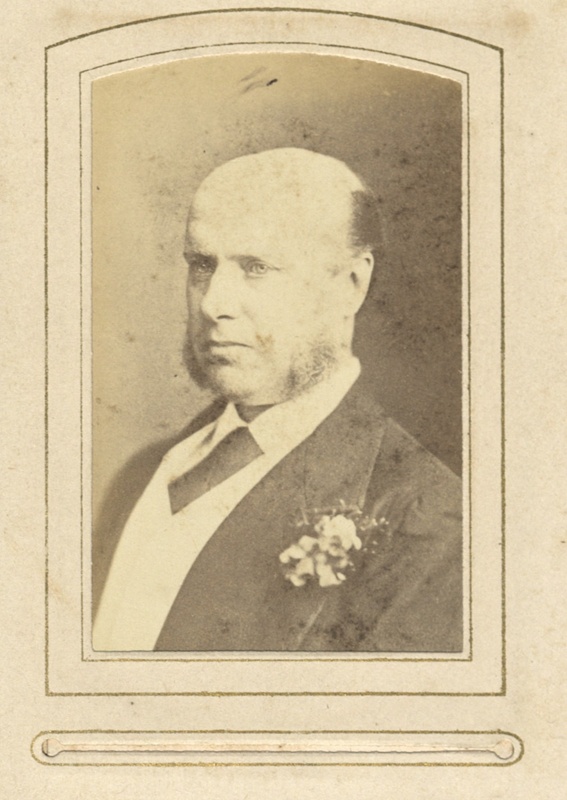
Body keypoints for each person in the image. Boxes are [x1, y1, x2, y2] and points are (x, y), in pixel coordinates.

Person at [92, 147, 462, 653]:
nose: (213, 303)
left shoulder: (427, 519)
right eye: (201, 265)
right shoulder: (140, 476)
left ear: (351, 285)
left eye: (257, 267)